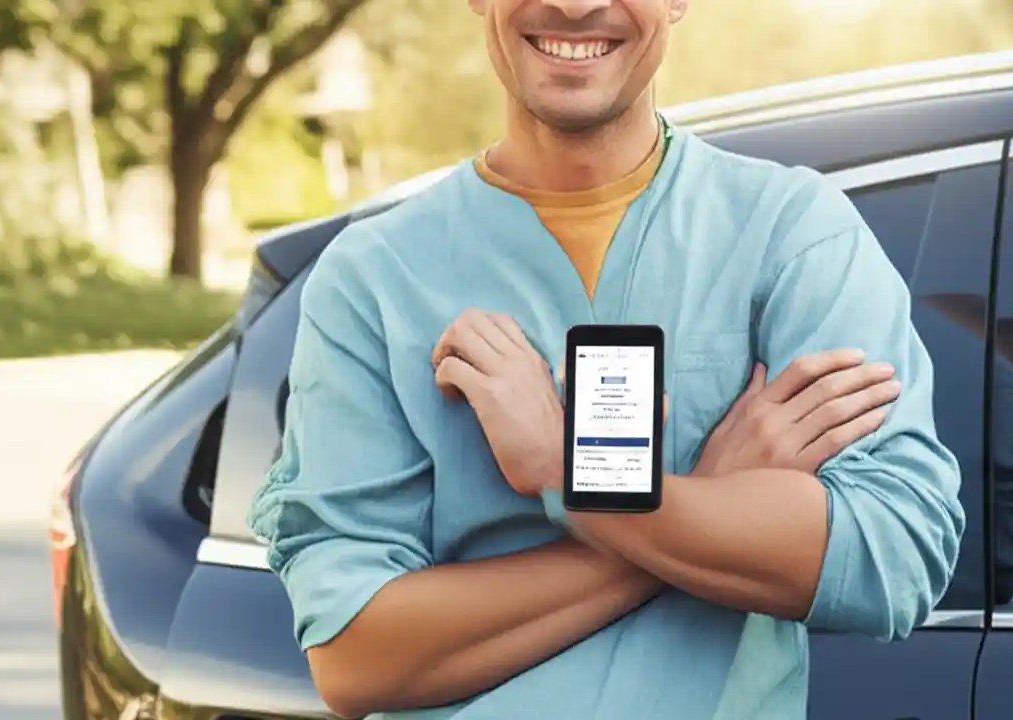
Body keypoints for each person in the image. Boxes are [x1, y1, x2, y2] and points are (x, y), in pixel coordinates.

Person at [246, 1, 964, 718]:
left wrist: (563, 470)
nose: (577, 4)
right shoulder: (375, 278)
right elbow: (354, 657)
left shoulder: (792, 235)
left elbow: (894, 558)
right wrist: (685, 503)